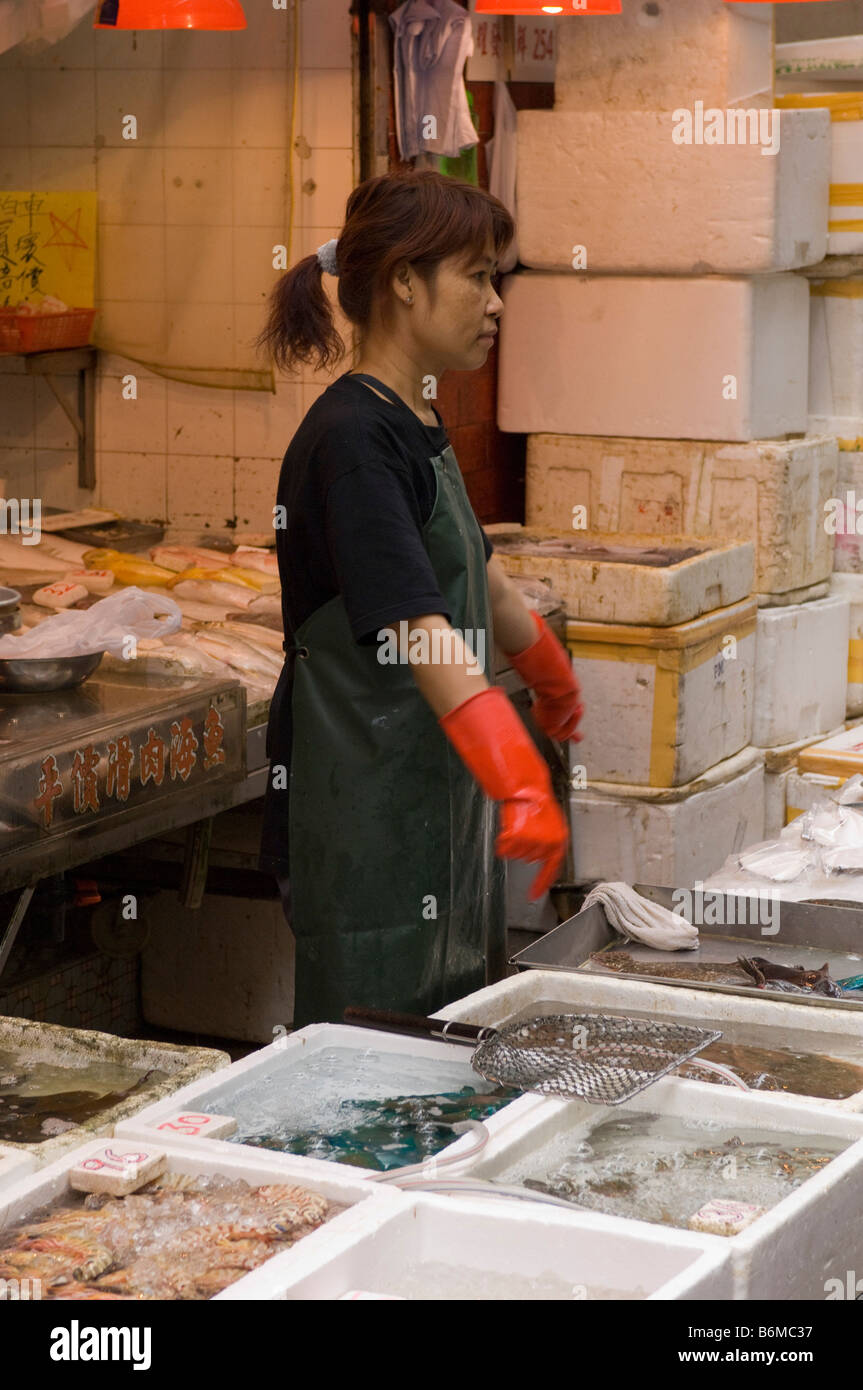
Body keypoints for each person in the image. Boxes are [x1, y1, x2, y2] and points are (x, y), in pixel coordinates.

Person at [257, 170, 583, 1029]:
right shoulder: (352, 438)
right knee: (373, 1049)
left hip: (431, 790)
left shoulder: (409, 416)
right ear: (405, 280)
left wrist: (549, 678)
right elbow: (418, 627)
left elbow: (478, 571)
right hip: (363, 800)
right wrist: (516, 777)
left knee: (449, 1026)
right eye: (478, 276)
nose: (495, 302)